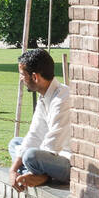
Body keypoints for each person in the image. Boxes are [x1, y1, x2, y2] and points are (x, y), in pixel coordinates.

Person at [8, 48, 72, 189]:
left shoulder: (62, 98)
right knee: (15, 143)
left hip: (69, 162)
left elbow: (52, 144)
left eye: (22, 75)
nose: (21, 79)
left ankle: (42, 176)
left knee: (30, 156)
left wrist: (30, 166)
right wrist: (12, 170)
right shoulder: (44, 97)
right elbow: (35, 134)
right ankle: (37, 176)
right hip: (51, 156)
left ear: (35, 77)